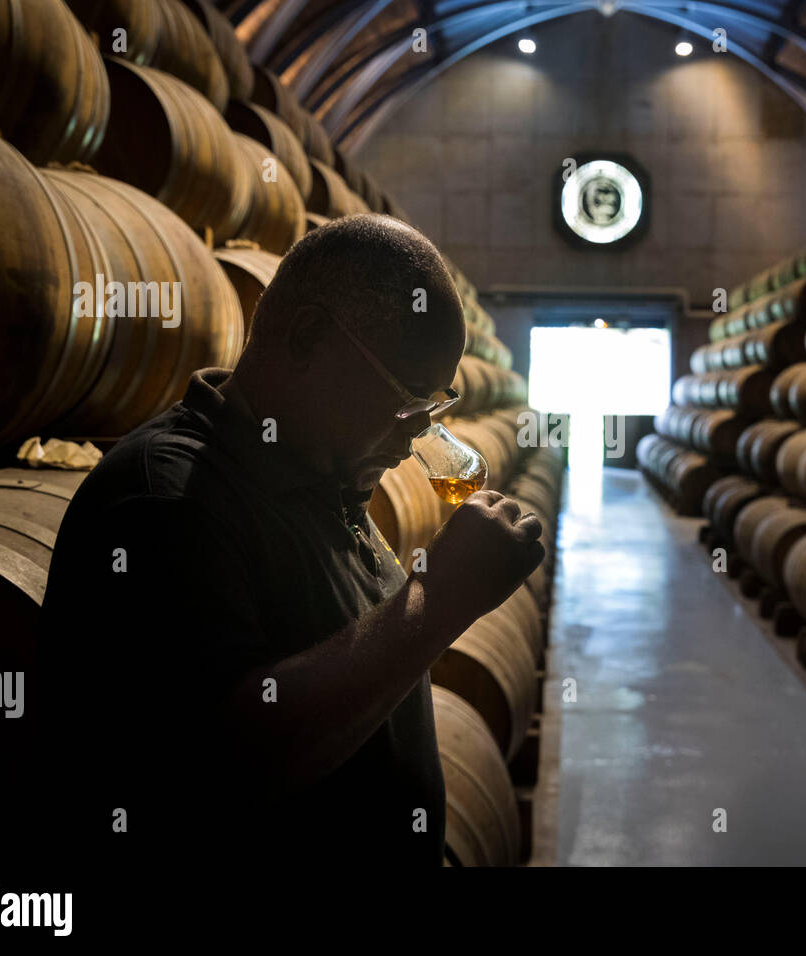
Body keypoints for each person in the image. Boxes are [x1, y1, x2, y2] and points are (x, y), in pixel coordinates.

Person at [34, 215, 544, 871]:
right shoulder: (166, 501)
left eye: (431, 410)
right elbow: (231, 763)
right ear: (306, 336)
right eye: (405, 404)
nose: (412, 439)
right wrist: (438, 601)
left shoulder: (323, 472)